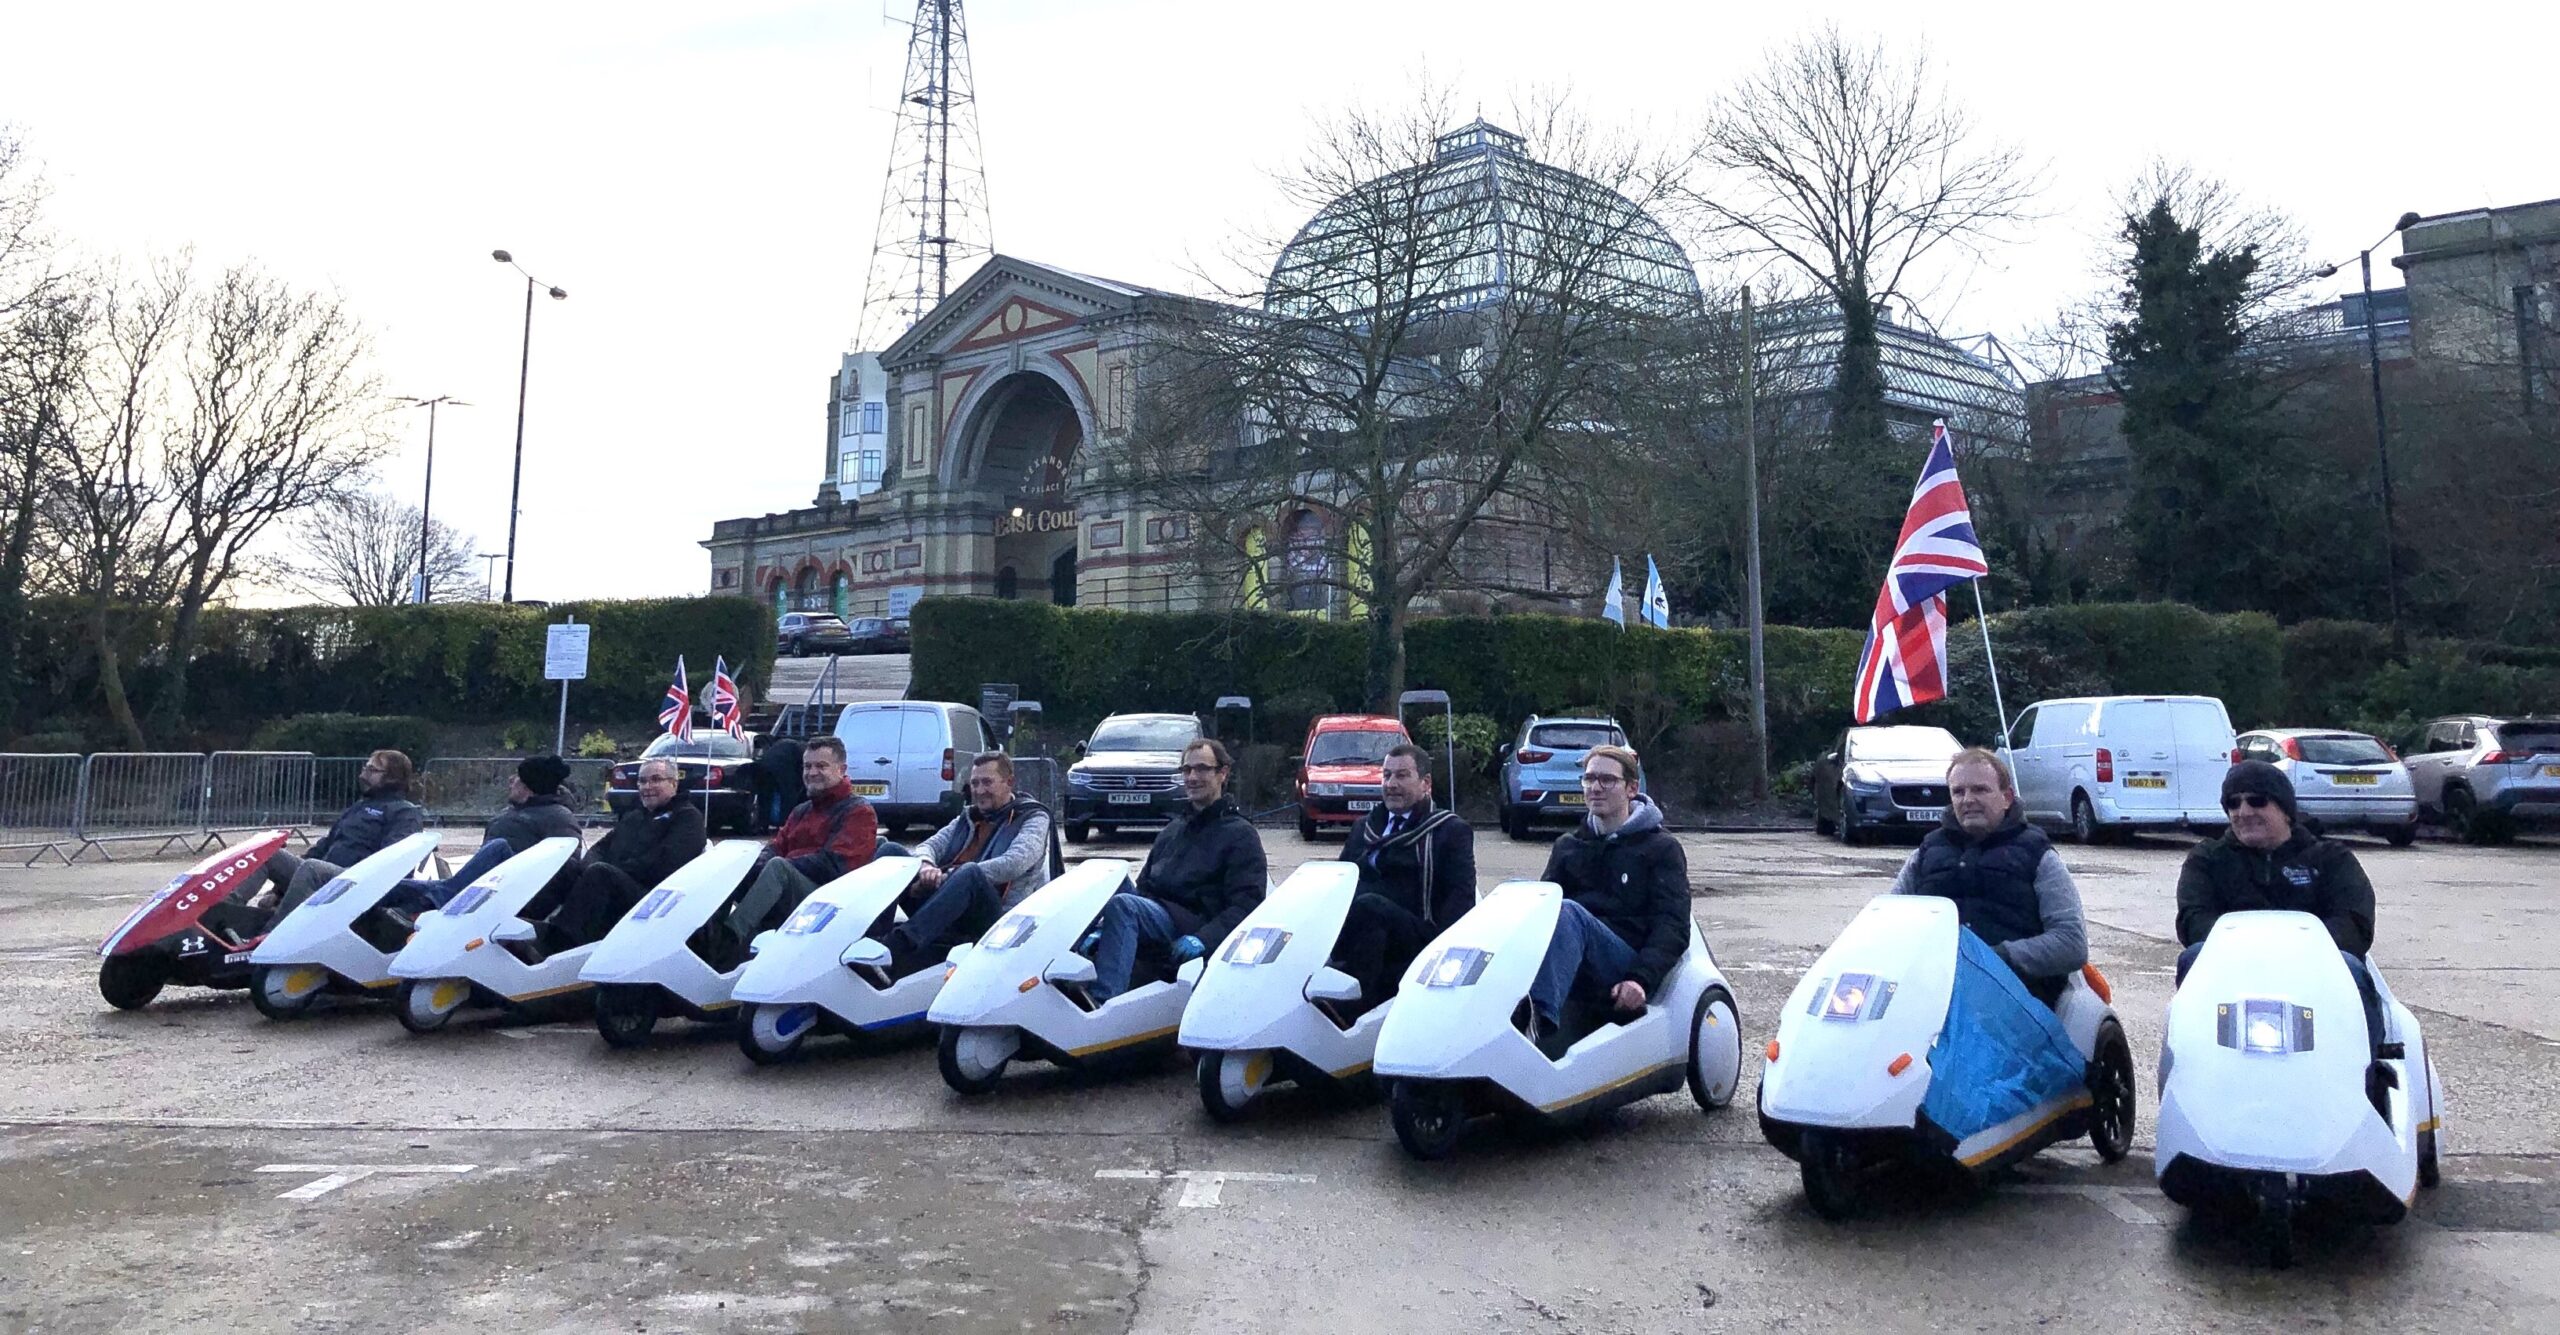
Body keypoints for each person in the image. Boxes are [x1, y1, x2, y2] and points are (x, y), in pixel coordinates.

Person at [2176, 760, 2387, 1055]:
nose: (2244, 812)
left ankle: (2369, 1070)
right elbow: (2193, 921)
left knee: (2351, 967)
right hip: (2233, 970)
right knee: (2192, 958)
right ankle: (2194, 1062)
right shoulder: (2207, 859)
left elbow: (2354, 923)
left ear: (2286, 810)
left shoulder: (2331, 858)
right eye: (2233, 804)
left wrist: (2292, 953)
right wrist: (2255, 952)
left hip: (2317, 972)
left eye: (2257, 801)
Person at [1522, 745, 1690, 1054]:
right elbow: (1542, 911)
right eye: (1588, 779)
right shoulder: (1568, 846)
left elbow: (1673, 925)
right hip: (1572, 954)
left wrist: (1640, 979)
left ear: (1631, 788)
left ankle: (1537, 1024)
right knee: (1528, 899)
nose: (1595, 787)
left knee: (1570, 912)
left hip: (1624, 959)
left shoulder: (1661, 849)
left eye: (1607, 780)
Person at [1888, 747, 2088, 1006]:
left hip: (2016, 1002)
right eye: (1958, 792)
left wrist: (1995, 958)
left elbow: (2071, 943)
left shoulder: (2037, 853)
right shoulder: (1926, 852)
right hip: (1933, 997)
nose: (1967, 799)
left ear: (2006, 797)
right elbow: (1888, 922)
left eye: (1980, 790)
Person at [1085, 738, 1266, 1004]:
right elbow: (1144, 885)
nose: (1193, 777)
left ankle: (1103, 1001)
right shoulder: (1174, 830)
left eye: (1202, 769)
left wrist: (1203, 938)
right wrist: (1102, 925)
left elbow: (1247, 904)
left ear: (1222, 773)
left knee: (1124, 906)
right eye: (1187, 770)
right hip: (1157, 914)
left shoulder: (1240, 835)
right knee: (1104, 883)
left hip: (1193, 922)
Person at [868, 751, 1058, 976]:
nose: (979, 791)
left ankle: (894, 948)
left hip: (995, 916)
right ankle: (869, 939)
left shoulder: (1034, 818)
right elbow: (927, 847)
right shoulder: (968, 817)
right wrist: (926, 866)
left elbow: (1013, 863)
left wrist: (943, 879)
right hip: (948, 898)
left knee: (970, 872)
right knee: (891, 852)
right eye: (975, 783)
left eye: (987, 782)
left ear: (1009, 783)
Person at [1329, 742, 1474, 1017]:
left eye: (1402, 775)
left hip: (1419, 935)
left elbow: (1460, 903)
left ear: (1425, 783)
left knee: (1370, 904)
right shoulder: (1365, 828)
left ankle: (1354, 1008)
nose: (1391, 784)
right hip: (1359, 933)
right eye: (1386, 776)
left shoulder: (1449, 831)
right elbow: (1339, 883)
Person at [535, 756, 710, 950]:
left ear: (673, 784)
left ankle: (557, 943)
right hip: (616, 883)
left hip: (654, 898)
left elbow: (664, 865)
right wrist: (587, 866)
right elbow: (600, 847)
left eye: (655, 779)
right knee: (570, 867)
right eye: (642, 781)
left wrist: (610, 870)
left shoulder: (687, 818)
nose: (647, 786)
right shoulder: (634, 816)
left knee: (600, 874)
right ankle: (528, 923)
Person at [722, 735, 880, 946]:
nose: (812, 773)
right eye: (808, 766)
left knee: (778, 868)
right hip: (797, 886)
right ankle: (705, 928)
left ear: (841, 770)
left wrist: (786, 862)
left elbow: (836, 865)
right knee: (739, 866)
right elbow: (777, 846)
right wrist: (750, 864)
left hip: (832, 897)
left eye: (821, 766)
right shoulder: (801, 810)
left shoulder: (858, 812)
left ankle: (728, 939)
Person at [248, 749, 426, 922]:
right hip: (327, 874)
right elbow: (324, 846)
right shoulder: (359, 807)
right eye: (365, 768)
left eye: (372, 770)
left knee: (312, 868)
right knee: (268, 854)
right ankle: (225, 910)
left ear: (393, 777)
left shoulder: (404, 812)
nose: (363, 775)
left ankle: (270, 935)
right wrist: (279, 890)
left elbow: (395, 860)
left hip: (357, 881)